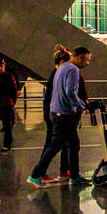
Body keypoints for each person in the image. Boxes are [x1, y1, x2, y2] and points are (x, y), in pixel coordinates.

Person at [28, 46, 92, 187]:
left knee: (73, 144)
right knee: (56, 145)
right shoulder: (73, 70)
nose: (87, 63)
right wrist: (82, 106)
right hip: (64, 114)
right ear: (80, 57)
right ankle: (35, 174)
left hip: (56, 112)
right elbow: (70, 92)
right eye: (87, 60)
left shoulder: (62, 67)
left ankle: (74, 176)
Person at [38, 47, 72, 178]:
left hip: (54, 112)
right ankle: (40, 173)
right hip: (54, 114)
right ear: (62, 61)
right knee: (52, 143)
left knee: (64, 142)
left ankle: (64, 170)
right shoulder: (56, 75)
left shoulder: (57, 73)